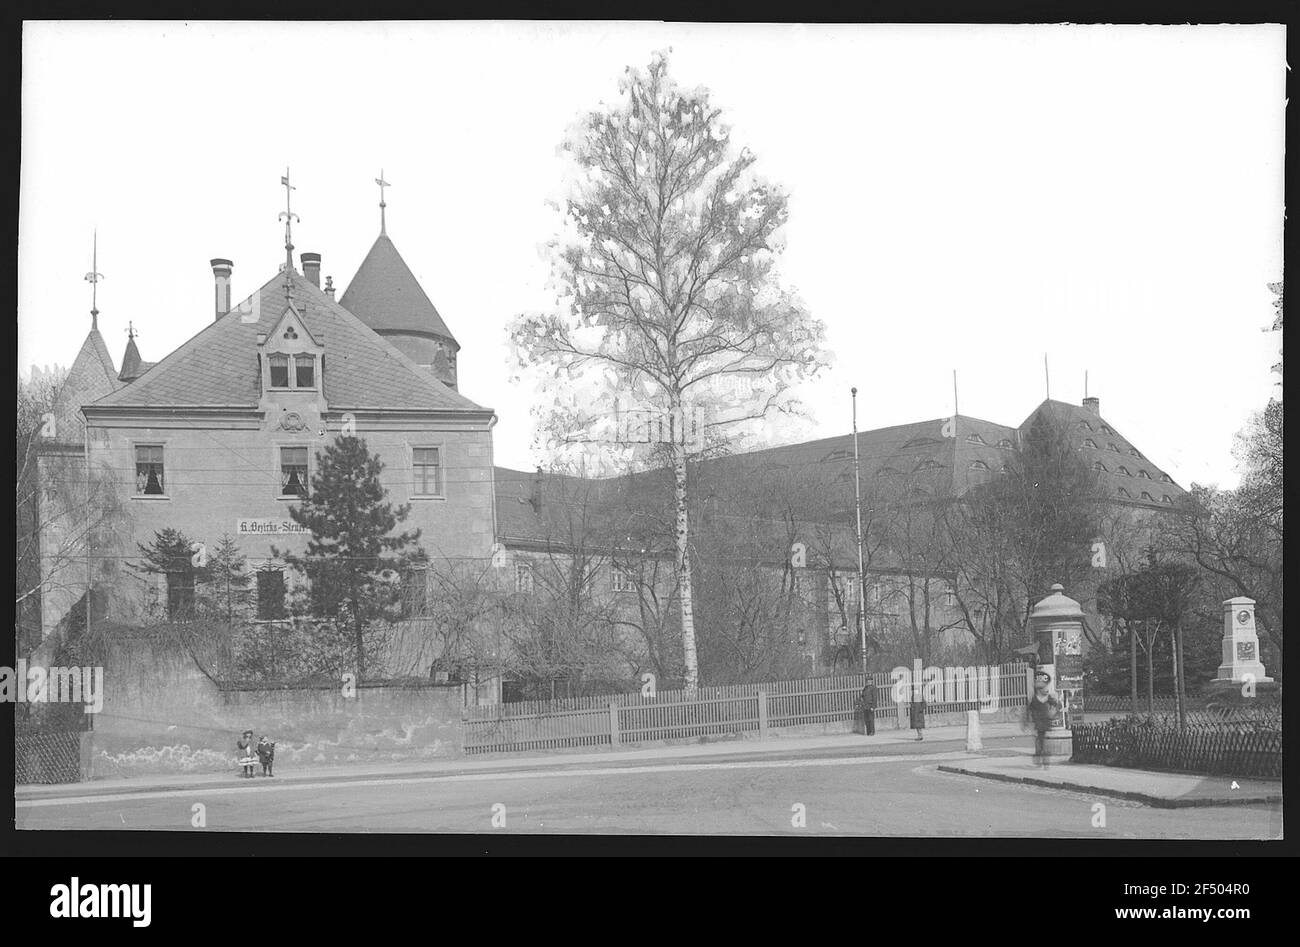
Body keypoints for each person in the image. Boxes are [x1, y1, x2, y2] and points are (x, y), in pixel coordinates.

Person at [1026, 669, 1063, 766]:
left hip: (1045, 721)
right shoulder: (1034, 700)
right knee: (1040, 739)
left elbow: (1057, 705)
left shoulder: (1048, 698)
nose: (1045, 690)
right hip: (1037, 723)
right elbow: (1029, 711)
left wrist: (1053, 712)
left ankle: (1042, 756)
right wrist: (1028, 722)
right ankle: (1040, 755)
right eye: (1042, 688)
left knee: (1042, 739)